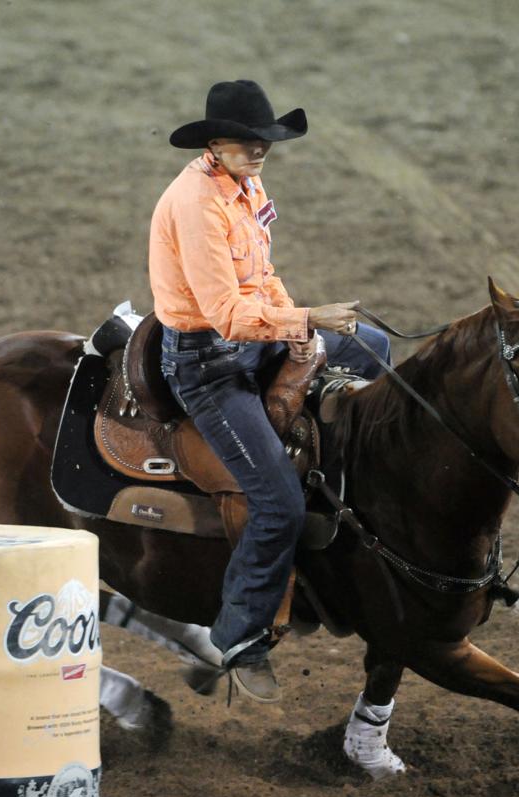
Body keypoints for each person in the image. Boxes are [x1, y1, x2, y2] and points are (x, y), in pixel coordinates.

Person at [149, 80, 391, 702]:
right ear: (216, 143)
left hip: (255, 339)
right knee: (276, 501)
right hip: (208, 363)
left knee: (373, 347)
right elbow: (226, 312)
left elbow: (263, 278)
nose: (260, 151)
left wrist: (299, 333)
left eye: (266, 142)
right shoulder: (196, 204)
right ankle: (236, 634)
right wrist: (306, 321)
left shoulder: (244, 185)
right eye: (249, 142)